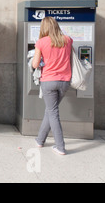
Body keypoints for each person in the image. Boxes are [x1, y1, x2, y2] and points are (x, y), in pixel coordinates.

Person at [32, 17, 73, 155]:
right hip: (65, 81)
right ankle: (40, 140)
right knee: (51, 111)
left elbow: (35, 64)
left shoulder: (41, 42)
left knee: (53, 112)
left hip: (49, 81)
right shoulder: (68, 40)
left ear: (44, 28)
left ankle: (60, 146)